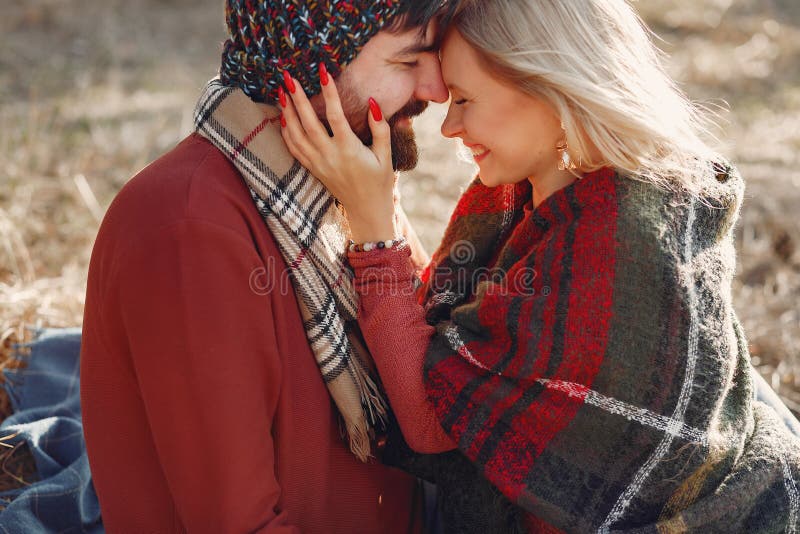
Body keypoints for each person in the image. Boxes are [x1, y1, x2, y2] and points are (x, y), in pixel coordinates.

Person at [279, 0, 800, 532]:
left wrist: (375, 238)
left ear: (548, 90)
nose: (449, 126)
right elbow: (458, 351)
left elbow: (431, 421)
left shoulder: (625, 241)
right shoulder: (526, 197)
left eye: (464, 99)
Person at [79, 1, 456, 532]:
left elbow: (431, 394)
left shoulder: (343, 190)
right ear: (307, 64)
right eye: (408, 62)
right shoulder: (186, 227)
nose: (437, 91)